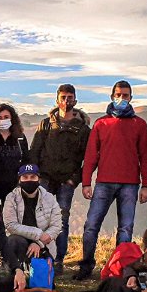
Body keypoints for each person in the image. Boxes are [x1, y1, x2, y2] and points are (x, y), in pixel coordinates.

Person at [74, 80, 147, 281]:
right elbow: (91, 155)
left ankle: (120, 269)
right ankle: (86, 266)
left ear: (131, 98)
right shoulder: (101, 124)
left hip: (130, 184)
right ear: (111, 97)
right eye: (118, 95)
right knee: (91, 225)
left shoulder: (139, 124)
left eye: (125, 95)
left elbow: (145, 156)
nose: (121, 99)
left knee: (125, 229)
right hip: (103, 183)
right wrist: (86, 182)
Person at [29, 84, 90, 274]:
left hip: (66, 180)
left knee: (62, 219)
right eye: (63, 97)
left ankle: (59, 260)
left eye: (70, 97)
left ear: (75, 100)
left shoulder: (82, 128)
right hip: (45, 178)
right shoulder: (46, 124)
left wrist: (75, 179)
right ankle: (41, 255)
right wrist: (34, 177)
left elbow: (87, 158)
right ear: (57, 100)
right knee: (41, 218)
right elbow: (35, 151)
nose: (66, 101)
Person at [0, 164, 63, 278]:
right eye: (25, 177)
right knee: (13, 240)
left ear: (38, 179)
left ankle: (33, 272)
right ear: (19, 180)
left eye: (32, 177)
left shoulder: (49, 198)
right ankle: (14, 271)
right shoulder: (12, 198)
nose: (29, 180)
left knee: (40, 279)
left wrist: (38, 243)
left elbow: (56, 226)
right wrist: (38, 234)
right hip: (20, 241)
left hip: (43, 245)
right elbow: (10, 225)